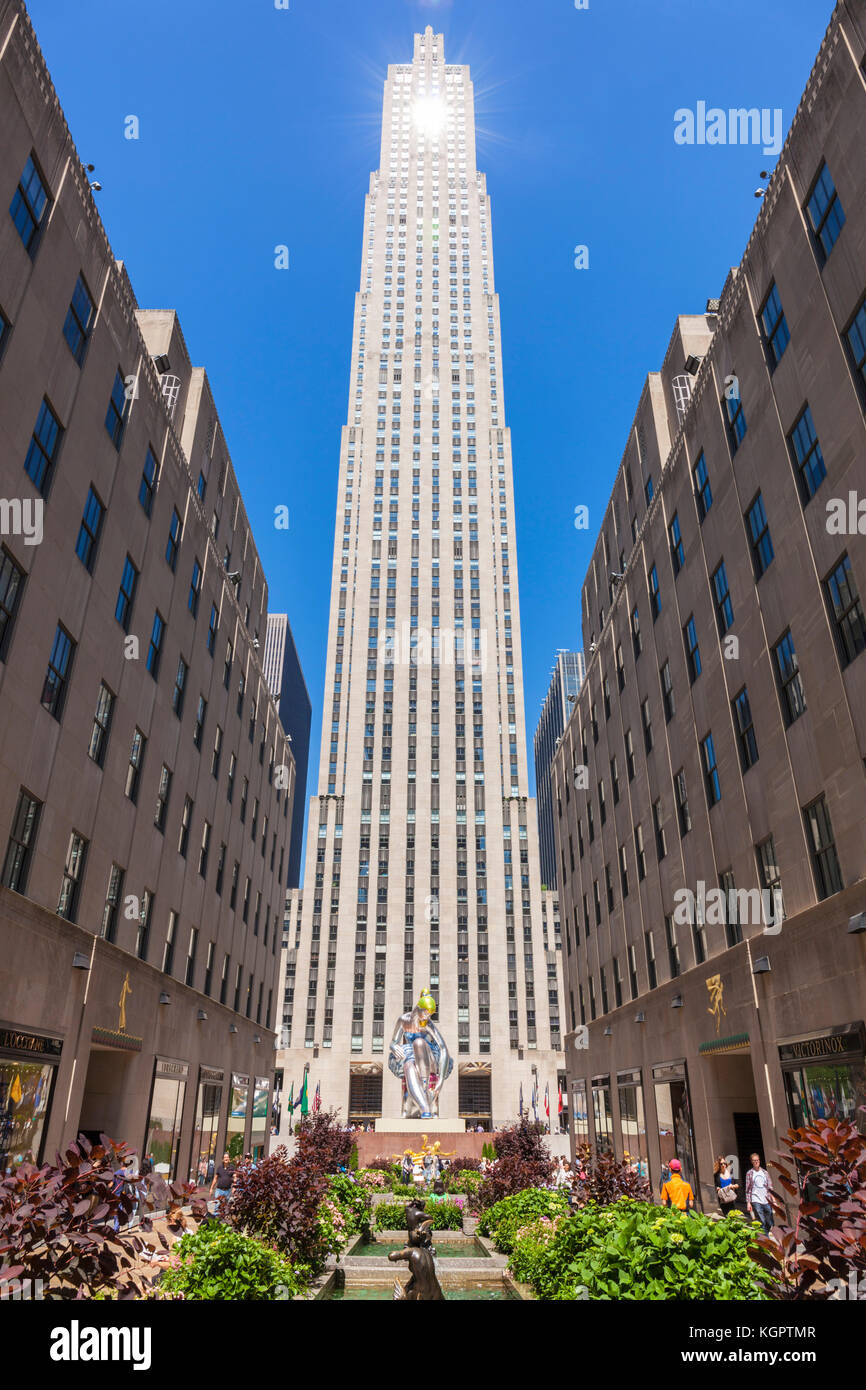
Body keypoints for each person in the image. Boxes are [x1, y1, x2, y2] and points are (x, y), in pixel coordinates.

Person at [745, 1153, 774, 1234]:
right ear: (751, 1162)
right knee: (762, 1220)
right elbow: (748, 1189)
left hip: (766, 1199)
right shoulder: (749, 1173)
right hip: (755, 1199)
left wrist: (773, 1200)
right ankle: (766, 1238)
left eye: (757, 1160)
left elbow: (770, 1187)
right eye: (754, 1161)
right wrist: (748, 1203)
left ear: (759, 1161)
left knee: (769, 1218)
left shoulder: (765, 1172)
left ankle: (766, 1232)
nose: (756, 1162)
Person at [210, 1151, 236, 1219]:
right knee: (217, 1205)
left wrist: (234, 1187)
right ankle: (215, 1220)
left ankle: (224, 1220)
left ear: (229, 1159)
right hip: (219, 1190)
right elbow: (215, 1178)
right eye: (225, 1157)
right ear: (222, 1159)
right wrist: (211, 1188)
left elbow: (235, 1178)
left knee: (226, 1206)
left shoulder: (232, 1167)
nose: (226, 1158)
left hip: (227, 1190)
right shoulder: (219, 1167)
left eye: (227, 1157)